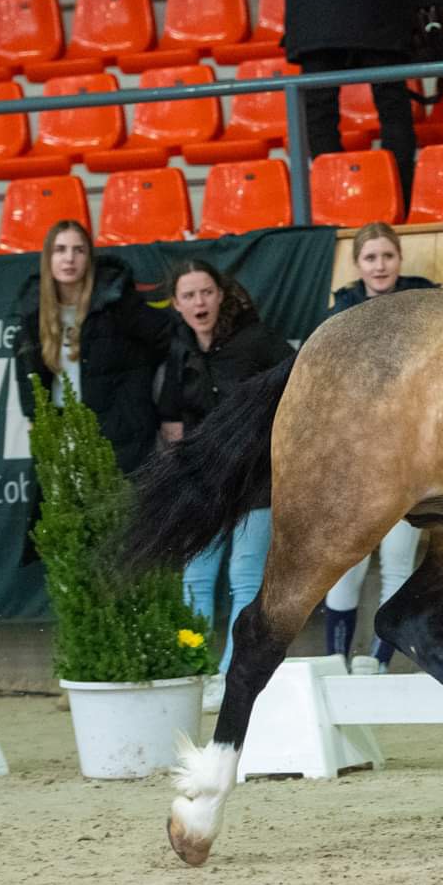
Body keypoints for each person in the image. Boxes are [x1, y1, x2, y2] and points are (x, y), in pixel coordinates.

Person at [158, 260, 295, 711]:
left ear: (220, 294)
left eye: (206, 293)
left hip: (256, 481)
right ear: (177, 304)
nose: (199, 302)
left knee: (245, 578)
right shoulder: (179, 350)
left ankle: (230, 675)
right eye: (189, 296)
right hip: (203, 484)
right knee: (195, 578)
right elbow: (173, 423)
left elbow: (296, 389)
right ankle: (193, 665)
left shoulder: (257, 340)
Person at [322, 223, 439, 675]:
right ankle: (334, 657)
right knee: (345, 562)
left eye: (387, 256)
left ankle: (378, 660)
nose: (380, 265)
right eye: (370, 258)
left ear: (399, 260)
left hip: (409, 460)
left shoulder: (424, 306)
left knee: (397, 560)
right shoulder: (340, 316)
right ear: (358, 265)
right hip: (355, 460)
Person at [252, 0, 422, 212]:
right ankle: (398, 201)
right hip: (374, 9)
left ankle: (335, 201)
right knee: (392, 103)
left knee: (320, 112)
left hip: (314, 15)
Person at [13, 221, 171, 474]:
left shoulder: (116, 300)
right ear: (47, 258)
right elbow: (28, 380)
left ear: (89, 257)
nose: (69, 259)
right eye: (60, 250)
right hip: (64, 437)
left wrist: (137, 401)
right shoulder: (32, 314)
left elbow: (168, 339)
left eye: (79, 250)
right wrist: (38, 428)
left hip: (121, 436)